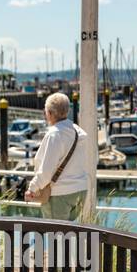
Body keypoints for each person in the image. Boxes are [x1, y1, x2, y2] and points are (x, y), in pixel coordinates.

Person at [25, 91, 95, 221]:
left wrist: (32, 189)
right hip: (80, 190)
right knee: (68, 235)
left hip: (60, 193)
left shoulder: (54, 134)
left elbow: (46, 170)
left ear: (50, 113)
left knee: (56, 237)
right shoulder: (78, 131)